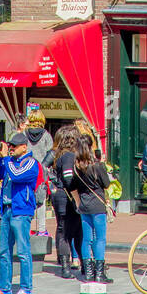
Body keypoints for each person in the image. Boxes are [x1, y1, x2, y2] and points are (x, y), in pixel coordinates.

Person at [0, 132, 40, 294]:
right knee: (4, 251)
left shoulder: (31, 163)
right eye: (10, 146)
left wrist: (6, 160)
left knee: (23, 251)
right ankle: (4, 287)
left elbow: (16, 175)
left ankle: (26, 288)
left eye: (14, 146)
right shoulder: (9, 162)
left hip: (22, 210)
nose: (11, 149)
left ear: (24, 147)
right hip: (7, 210)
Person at [64, 137, 113, 283]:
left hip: (84, 206)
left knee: (87, 239)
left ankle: (88, 272)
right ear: (91, 147)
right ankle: (99, 272)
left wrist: (78, 203)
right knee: (100, 238)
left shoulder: (76, 167)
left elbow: (71, 186)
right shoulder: (97, 166)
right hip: (97, 206)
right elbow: (106, 183)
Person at [47, 124, 83, 279]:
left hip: (60, 194)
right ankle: (69, 266)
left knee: (65, 230)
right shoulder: (69, 156)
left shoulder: (58, 154)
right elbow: (68, 179)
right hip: (68, 195)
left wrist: (54, 182)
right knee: (70, 231)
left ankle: (67, 265)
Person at [24, 109, 53, 236]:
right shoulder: (46, 135)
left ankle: (27, 227)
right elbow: (50, 152)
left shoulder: (25, 134)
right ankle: (41, 229)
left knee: (27, 198)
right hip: (41, 170)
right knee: (41, 200)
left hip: (28, 168)